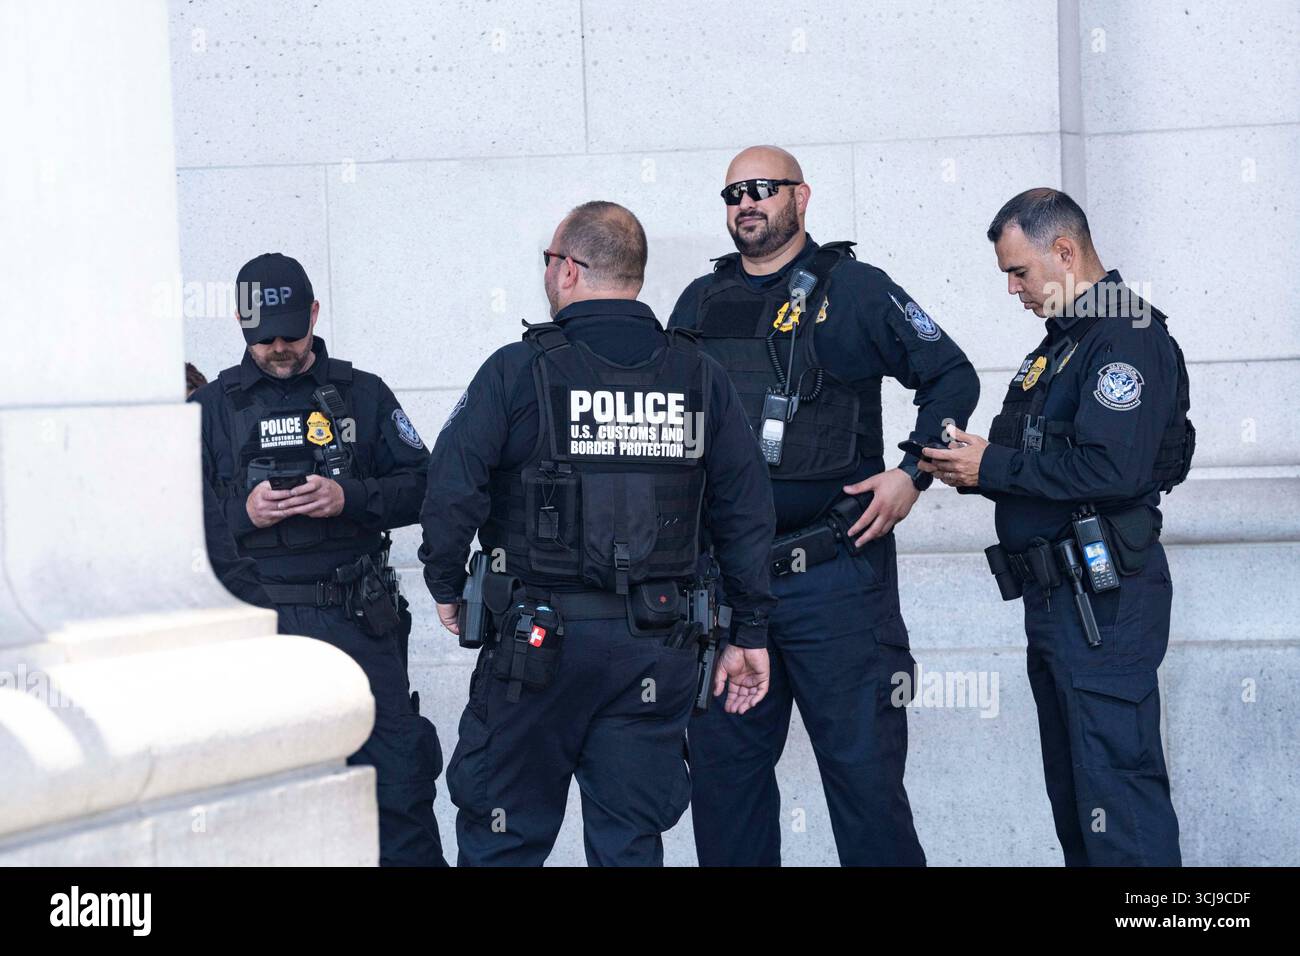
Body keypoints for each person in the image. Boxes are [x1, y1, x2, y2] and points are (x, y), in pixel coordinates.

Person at [419, 201, 777, 866]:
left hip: (536, 646)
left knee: (505, 836)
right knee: (630, 842)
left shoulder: (516, 369)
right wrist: (748, 631)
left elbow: (451, 487)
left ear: (569, 269)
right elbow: (746, 511)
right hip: (657, 643)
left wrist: (445, 581)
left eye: (548, 261)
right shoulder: (699, 375)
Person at [667, 145, 981, 866]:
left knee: (866, 790)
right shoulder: (697, 302)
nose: (745, 203)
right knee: (725, 794)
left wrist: (912, 473)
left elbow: (951, 377)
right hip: (725, 590)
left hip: (836, 580)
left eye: (761, 189)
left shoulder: (859, 290)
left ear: (800, 198)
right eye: (732, 194)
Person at [920, 187, 1193, 866]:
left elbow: (1113, 469)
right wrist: (979, 464)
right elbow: (1048, 461)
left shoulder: (1124, 334)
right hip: (1060, 597)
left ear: (1065, 251)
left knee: (1116, 795)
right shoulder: (1066, 346)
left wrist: (995, 468)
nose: (1014, 289)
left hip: (1101, 599)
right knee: (1078, 797)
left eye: (1020, 271)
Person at [188, 253, 445, 866]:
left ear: (315, 314)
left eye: (291, 335)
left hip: (357, 622)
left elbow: (428, 485)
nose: (278, 349)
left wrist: (349, 497)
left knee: (398, 788)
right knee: (267, 806)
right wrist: (239, 516)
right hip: (258, 632)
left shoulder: (362, 394)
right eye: (263, 338)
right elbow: (162, 530)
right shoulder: (211, 412)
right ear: (240, 324)